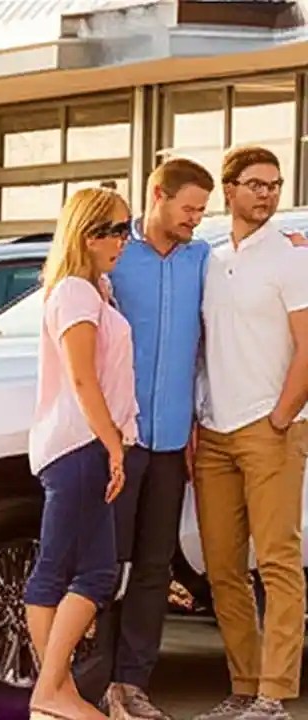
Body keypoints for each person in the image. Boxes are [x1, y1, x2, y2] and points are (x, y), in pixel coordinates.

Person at [191, 146, 308, 720]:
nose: (266, 194)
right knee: (223, 568)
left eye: (274, 184)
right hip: (214, 434)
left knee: (278, 563)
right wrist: (197, 419)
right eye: (255, 184)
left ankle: (274, 695)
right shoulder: (211, 261)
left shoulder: (292, 257)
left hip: (271, 428)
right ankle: (243, 686)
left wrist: (282, 416)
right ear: (229, 189)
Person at [96, 158, 214, 719]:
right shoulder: (117, 256)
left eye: (202, 211)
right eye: (189, 208)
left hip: (171, 444)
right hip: (118, 440)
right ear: (159, 196)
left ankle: (132, 685)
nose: (196, 219)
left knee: (152, 568)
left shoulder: (202, 259)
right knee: (104, 565)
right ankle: (92, 681)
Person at [25, 186, 137, 720]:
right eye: (115, 231)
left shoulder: (95, 289)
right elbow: (82, 377)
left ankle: (56, 693)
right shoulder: (74, 292)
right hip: (79, 446)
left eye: (126, 230)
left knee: (94, 575)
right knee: (61, 571)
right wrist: (113, 445)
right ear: (88, 235)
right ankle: (52, 692)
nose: (123, 241)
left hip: (86, 445)